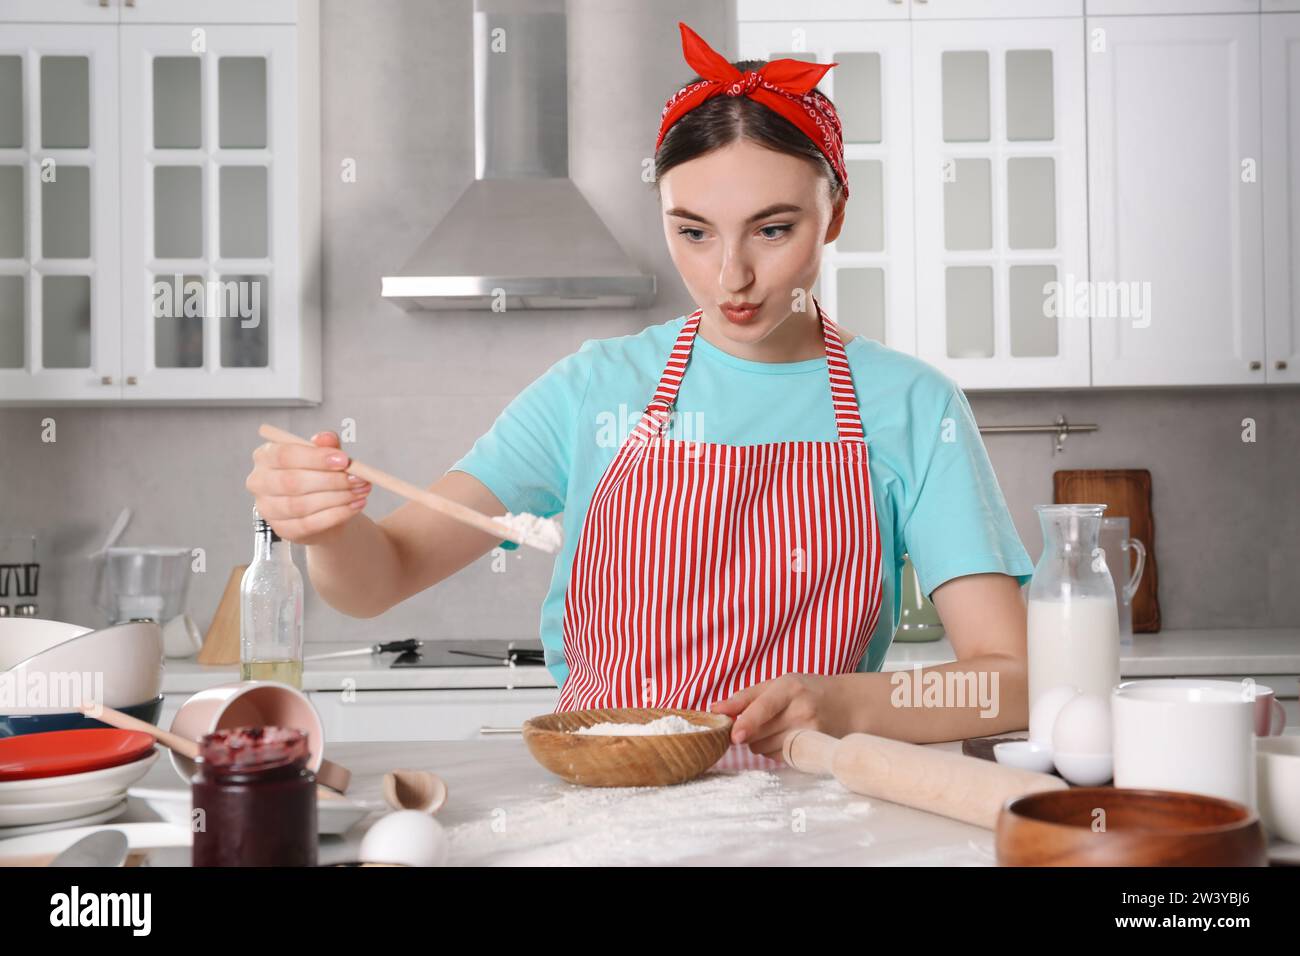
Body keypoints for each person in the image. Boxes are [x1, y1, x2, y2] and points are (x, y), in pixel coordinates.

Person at [245, 23, 1035, 756]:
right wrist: (323, 528)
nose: (732, 277)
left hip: (816, 818)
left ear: (833, 216)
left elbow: (1011, 679)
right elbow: (380, 577)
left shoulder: (912, 404)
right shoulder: (596, 388)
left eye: (773, 229)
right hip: (605, 813)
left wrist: (843, 704)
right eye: (693, 231)